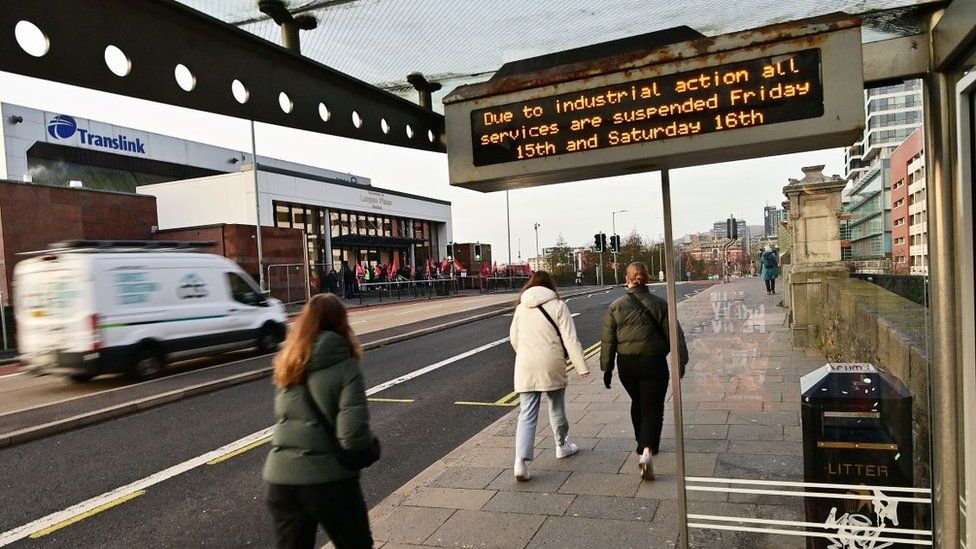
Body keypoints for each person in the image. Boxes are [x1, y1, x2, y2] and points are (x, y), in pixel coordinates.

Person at [263, 294, 375, 549]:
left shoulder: (289, 363)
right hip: (329, 480)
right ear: (341, 322)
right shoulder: (346, 366)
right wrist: (372, 447)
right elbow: (352, 435)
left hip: (281, 481)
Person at [601, 263, 688, 481]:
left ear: (628, 279)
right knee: (653, 408)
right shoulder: (659, 304)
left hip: (626, 365)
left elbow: (608, 341)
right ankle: (647, 450)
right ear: (647, 279)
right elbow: (675, 336)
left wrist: (607, 368)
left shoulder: (616, 306)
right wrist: (681, 362)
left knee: (638, 402)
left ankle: (642, 443)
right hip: (653, 362)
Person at [509, 271, 590, 481]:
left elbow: (513, 339)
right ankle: (561, 445)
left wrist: (526, 354)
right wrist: (581, 366)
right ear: (550, 286)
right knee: (556, 406)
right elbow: (570, 339)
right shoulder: (558, 305)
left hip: (525, 364)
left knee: (527, 413)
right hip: (551, 361)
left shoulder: (520, 308)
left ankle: (520, 461)